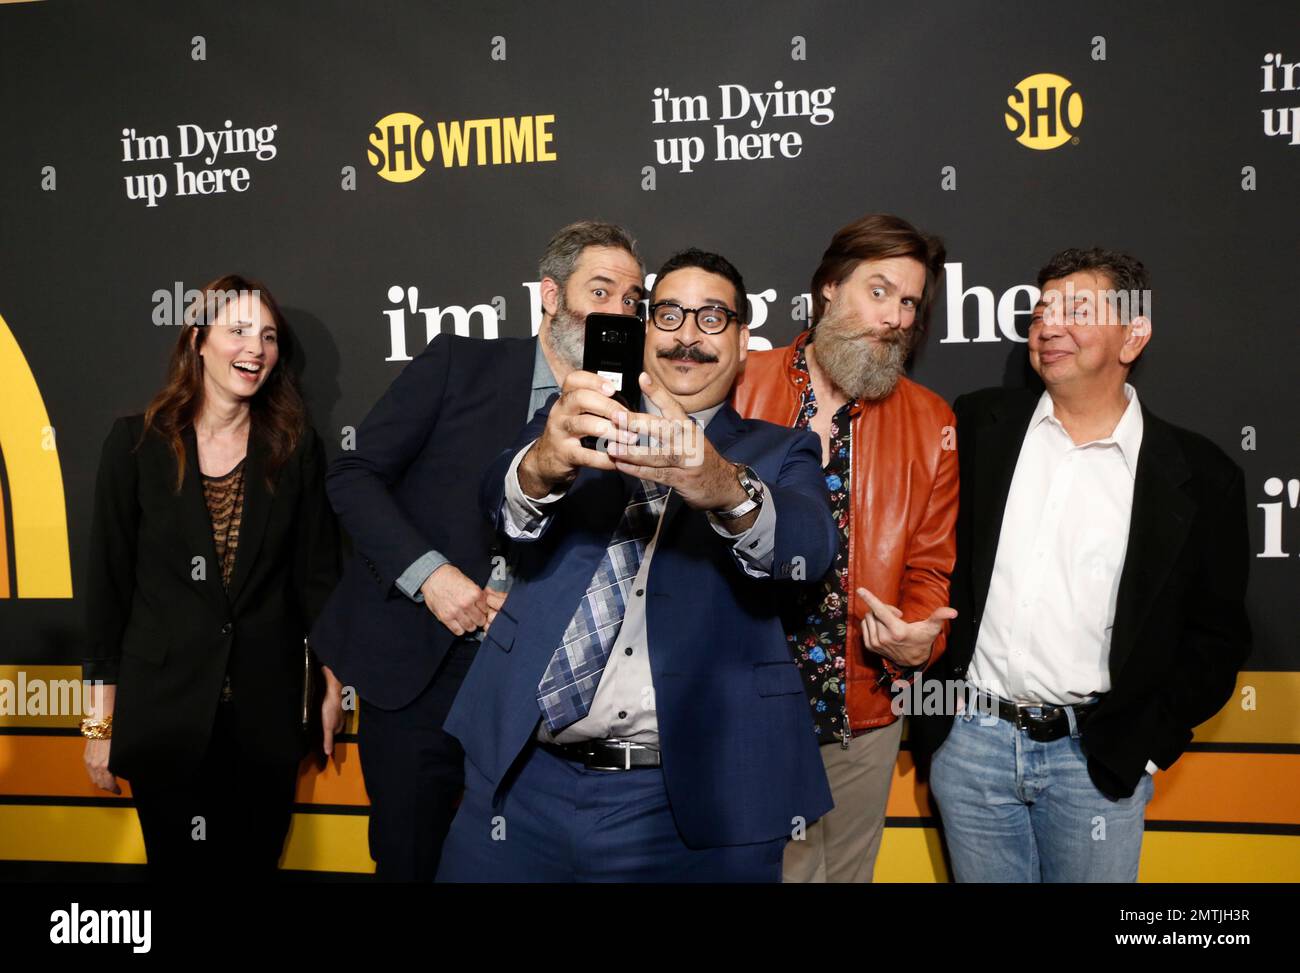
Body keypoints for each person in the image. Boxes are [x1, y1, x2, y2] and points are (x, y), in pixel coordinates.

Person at [436, 248, 837, 882]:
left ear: (743, 340)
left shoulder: (781, 449)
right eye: (669, 313)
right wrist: (541, 463)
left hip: (686, 802)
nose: (687, 336)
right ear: (644, 328)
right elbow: (500, 503)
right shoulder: (578, 421)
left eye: (712, 318)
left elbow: (807, 550)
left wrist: (723, 486)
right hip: (520, 781)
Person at [311, 221, 645, 879]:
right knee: (410, 861)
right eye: (600, 290)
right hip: (425, 673)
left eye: (632, 299)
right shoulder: (458, 365)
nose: (618, 312)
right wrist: (431, 577)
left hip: (547, 693)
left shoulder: (639, 414)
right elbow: (352, 475)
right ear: (549, 296)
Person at [909, 248, 1252, 882]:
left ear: (1135, 333)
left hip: (1095, 759)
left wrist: (1145, 747)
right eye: (1041, 310)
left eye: (1077, 309)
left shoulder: (1202, 477)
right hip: (971, 747)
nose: (1049, 326)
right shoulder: (978, 424)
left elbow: (1217, 637)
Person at [82, 274, 342, 877]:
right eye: (239, 330)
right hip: (164, 719)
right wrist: (100, 724)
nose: (256, 348)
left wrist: (332, 684)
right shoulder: (135, 445)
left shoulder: (295, 448)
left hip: (265, 719)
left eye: (269, 336)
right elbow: (107, 592)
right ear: (198, 339)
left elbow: (318, 579)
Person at [731, 212, 958, 882]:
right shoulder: (740, 381)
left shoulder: (930, 421)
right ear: (830, 287)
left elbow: (929, 565)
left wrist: (920, 638)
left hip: (861, 708)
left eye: (910, 302)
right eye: (879, 290)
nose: (894, 316)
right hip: (747, 703)